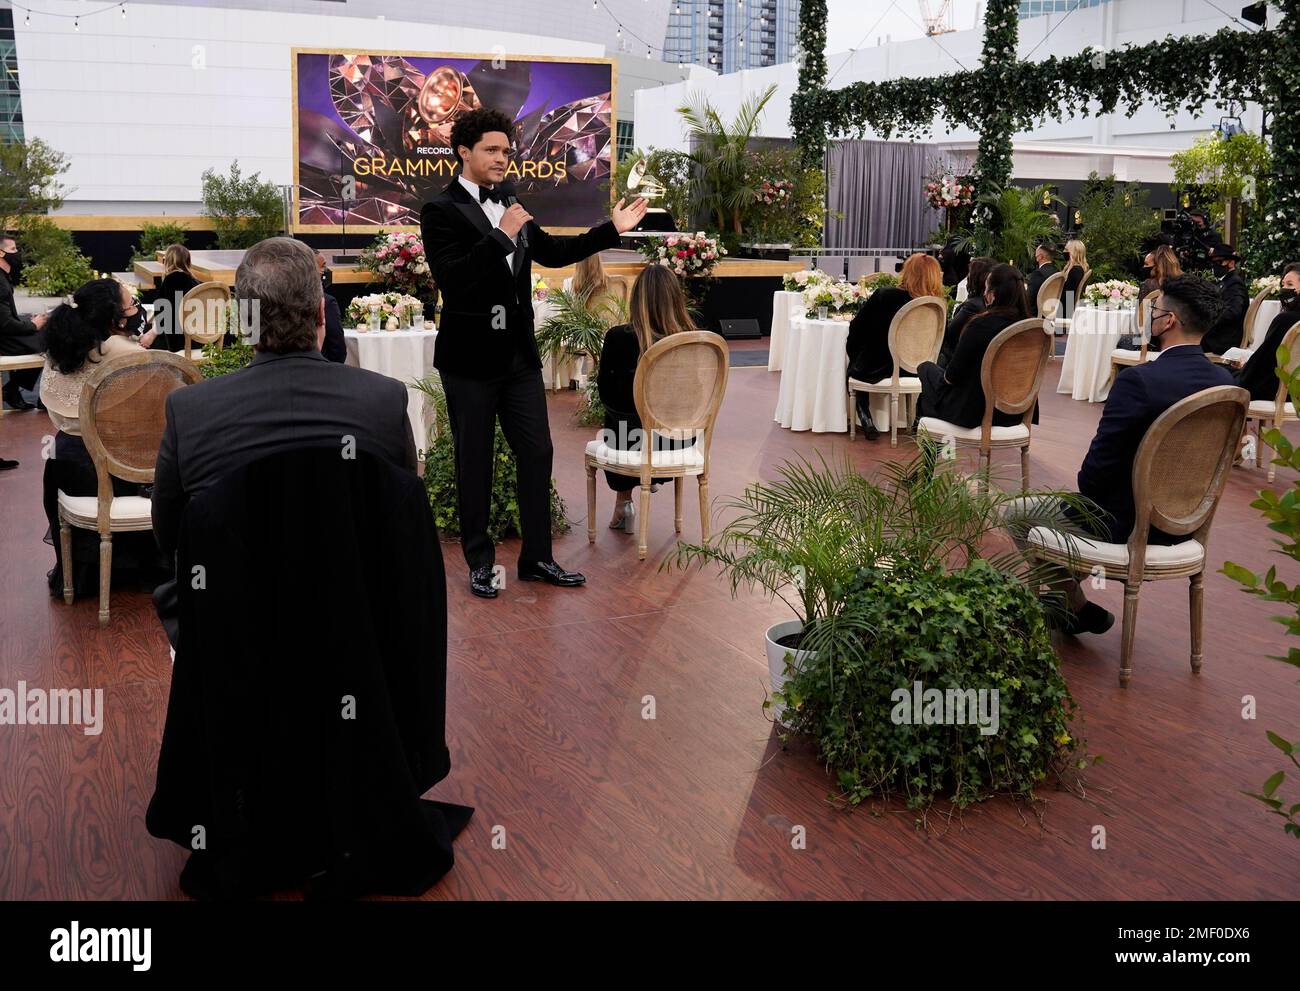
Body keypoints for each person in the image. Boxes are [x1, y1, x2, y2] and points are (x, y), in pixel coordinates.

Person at [418, 106, 647, 599]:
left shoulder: (511, 200)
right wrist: (500, 236)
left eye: (506, 150)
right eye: (492, 150)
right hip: (469, 362)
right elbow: (454, 281)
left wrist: (613, 228)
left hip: (519, 359)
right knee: (474, 460)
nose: (503, 158)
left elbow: (553, 254)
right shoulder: (439, 210)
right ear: (464, 152)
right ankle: (480, 562)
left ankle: (537, 558)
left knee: (538, 453)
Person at [151, 237, 417, 646]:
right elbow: (403, 522)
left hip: (233, 638)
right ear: (321, 312)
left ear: (243, 320)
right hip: (356, 629)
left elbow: (171, 535)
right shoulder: (383, 400)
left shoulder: (190, 410)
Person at [1027, 275, 1236, 635]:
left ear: (1169, 320)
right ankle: (1070, 604)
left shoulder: (1138, 381)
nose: (1150, 314)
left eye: (1154, 308)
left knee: (1019, 516)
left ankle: (1076, 607)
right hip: (1187, 526)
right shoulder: (1227, 385)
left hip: (1125, 523)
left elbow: (1093, 476)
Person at [39, 278, 157, 594]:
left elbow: (56, 413)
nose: (137, 309)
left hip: (67, 464)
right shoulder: (123, 352)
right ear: (116, 318)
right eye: (132, 305)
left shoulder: (62, 346)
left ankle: (84, 575)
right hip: (117, 466)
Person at [596, 264, 699, 532]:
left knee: (617, 420)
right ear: (675, 298)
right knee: (639, 423)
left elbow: (606, 395)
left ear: (637, 297)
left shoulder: (618, 337)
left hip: (631, 442)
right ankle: (647, 478)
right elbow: (696, 394)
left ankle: (624, 500)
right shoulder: (690, 339)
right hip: (680, 439)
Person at [917, 263, 1031, 429]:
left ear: (993, 294)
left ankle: (932, 445)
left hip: (975, 412)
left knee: (926, 369)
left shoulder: (981, 325)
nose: (984, 293)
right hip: (1013, 413)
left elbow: (951, 376)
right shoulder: (1030, 328)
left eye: (986, 289)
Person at [846, 252, 944, 435]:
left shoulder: (885, 296)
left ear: (907, 272)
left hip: (878, 367)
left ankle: (865, 414)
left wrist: (855, 352)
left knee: (857, 354)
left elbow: (857, 329)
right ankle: (918, 416)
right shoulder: (937, 305)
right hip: (918, 367)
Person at [1234, 263, 1300, 400]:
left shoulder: (1286, 320)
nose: (1284, 289)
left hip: (1277, 391)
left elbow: (1264, 362)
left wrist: (1244, 368)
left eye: (1289, 284)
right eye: (1283, 284)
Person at [0, 231, 47, 410]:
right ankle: (44, 398)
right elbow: (6, 325)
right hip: (3, 340)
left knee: (45, 336)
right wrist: (33, 325)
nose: (17, 252)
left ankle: (12, 390)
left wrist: (30, 322)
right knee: (50, 343)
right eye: (13, 249)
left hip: (5, 334)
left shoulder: (3, 277)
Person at [144, 244, 200, 351]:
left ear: (167, 261)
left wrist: (151, 335)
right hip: (195, 339)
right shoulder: (195, 282)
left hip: (175, 341)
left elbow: (167, 314)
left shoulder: (172, 279)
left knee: (138, 334)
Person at [939, 256, 993, 365]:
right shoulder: (989, 302)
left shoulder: (973, 306)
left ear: (974, 277)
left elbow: (949, 334)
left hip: (955, 360)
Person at [1202, 244, 1249, 355]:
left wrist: (1208, 318)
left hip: (1224, 340)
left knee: (1187, 343)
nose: (1215, 266)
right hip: (1218, 336)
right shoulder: (1224, 282)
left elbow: (1233, 311)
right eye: (1213, 262)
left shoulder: (1234, 283)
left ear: (1231, 263)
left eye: (1219, 262)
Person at [314, 250, 347, 363]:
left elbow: (255, 340)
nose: (325, 271)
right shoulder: (325, 302)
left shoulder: (256, 300)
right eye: (322, 266)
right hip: (318, 370)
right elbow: (338, 350)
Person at [1025, 242, 1058, 317]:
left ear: (1040, 257)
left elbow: (1028, 299)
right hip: (1051, 313)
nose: (1034, 255)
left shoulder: (1039, 274)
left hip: (1036, 314)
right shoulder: (1056, 272)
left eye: (1036, 253)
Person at [1059, 239, 1088, 320]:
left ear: (1074, 252)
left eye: (1066, 250)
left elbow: (1069, 296)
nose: (1063, 252)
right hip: (1064, 310)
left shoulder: (1075, 271)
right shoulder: (1076, 269)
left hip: (1063, 313)